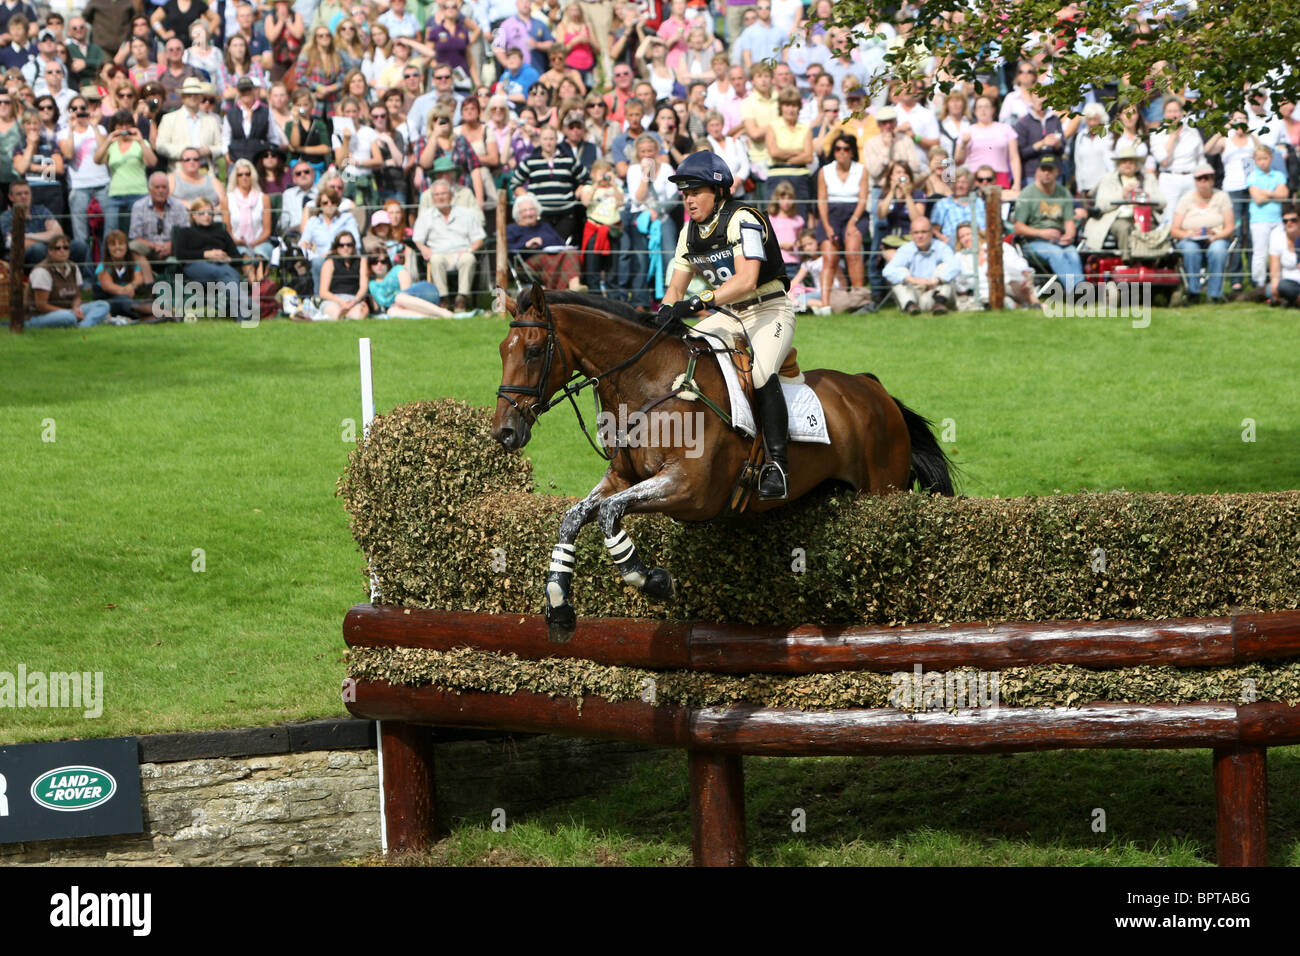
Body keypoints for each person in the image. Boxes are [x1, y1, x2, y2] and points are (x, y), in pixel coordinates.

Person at [658, 150, 794, 500]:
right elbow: (676, 286)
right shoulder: (689, 231)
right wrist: (665, 312)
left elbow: (747, 280)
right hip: (730, 315)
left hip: (769, 309)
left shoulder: (743, 218)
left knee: (761, 374)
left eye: (695, 191)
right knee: (684, 358)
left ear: (718, 191)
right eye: (684, 193)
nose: (688, 200)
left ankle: (778, 466)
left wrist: (699, 301)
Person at [815, 132, 870, 308]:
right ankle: (825, 305)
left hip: (855, 212)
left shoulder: (861, 170)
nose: (842, 152)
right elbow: (821, 201)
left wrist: (853, 220)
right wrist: (827, 226)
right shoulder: (825, 171)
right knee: (829, 258)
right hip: (830, 214)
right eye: (838, 148)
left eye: (846, 149)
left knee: (853, 252)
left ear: (852, 151)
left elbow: (863, 199)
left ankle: (859, 300)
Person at [1012, 155, 1082, 294]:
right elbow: (1018, 227)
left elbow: (1069, 222)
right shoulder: (1028, 194)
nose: (1046, 173)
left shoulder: (1063, 193)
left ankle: (1081, 289)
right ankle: (1076, 291)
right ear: (1037, 171)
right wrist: (1042, 233)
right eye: (1043, 169)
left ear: (1057, 172)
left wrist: (1069, 236)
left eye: (1050, 170)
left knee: (1073, 253)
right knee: (1055, 253)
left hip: (1058, 239)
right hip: (1033, 241)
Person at [172, 198, 250, 319]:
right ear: (193, 216)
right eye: (202, 213)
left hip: (221, 266)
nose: (207, 216)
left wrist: (227, 258)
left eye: (210, 213)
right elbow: (180, 255)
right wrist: (206, 254)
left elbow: (237, 257)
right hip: (195, 267)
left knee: (227, 274)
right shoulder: (186, 232)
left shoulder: (221, 231)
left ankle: (243, 315)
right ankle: (248, 305)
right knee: (227, 273)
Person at [413, 178, 484, 311]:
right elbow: (417, 238)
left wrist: (469, 250)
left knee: (469, 258)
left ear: (451, 196)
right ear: (432, 198)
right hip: (438, 253)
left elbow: (479, 239)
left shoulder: (467, 214)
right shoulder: (425, 216)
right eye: (437, 195)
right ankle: (443, 299)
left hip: (461, 252)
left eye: (443, 194)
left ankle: (461, 299)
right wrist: (423, 248)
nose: (440, 198)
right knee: (436, 259)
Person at [1170, 163, 1234, 303]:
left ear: (1212, 180)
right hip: (1190, 238)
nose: (1203, 182)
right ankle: (1194, 292)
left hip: (1216, 237)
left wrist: (1216, 236)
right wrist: (1190, 235)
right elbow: (1174, 229)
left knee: (1218, 250)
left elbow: (1229, 227)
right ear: (1195, 181)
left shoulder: (1222, 197)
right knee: (1190, 250)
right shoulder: (1186, 199)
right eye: (1200, 179)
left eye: (1207, 178)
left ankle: (1214, 294)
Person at [1083, 145, 1164, 253]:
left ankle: (1151, 261)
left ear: (1137, 164)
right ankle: (1128, 261)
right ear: (1118, 164)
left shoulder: (1148, 178)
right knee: (1125, 228)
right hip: (1117, 218)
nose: (1128, 164)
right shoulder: (1108, 179)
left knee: (1153, 229)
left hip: (1145, 217)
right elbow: (1101, 205)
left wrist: (1144, 195)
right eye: (1124, 161)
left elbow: (1162, 202)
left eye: (1131, 162)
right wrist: (1122, 194)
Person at [59, 93, 110, 251]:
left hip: (102, 184)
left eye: (83, 107)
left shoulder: (100, 128)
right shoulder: (63, 132)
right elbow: (68, 154)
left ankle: (104, 268)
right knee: (80, 234)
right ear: (69, 111)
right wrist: (71, 129)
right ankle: (85, 272)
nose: (79, 111)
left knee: (107, 232)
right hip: (79, 186)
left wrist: (94, 125)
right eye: (75, 108)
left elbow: (105, 153)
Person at [26, 235, 112, 328]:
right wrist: (70, 312)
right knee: (68, 317)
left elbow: (77, 296)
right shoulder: (42, 271)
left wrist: (76, 308)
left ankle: (83, 327)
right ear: (50, 251)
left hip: (68, 311)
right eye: (57, 248)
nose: (62, 251)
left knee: (103, 305)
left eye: (66, 248)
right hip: (39, 316)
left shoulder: (73, 267)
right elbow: (41, 306)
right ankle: (80, 321)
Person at [507, 191, 585, 290]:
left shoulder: (544, 226)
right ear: (518, 214)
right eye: (524, 211)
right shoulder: (511, 229)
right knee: (548, 260)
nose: (529, 213)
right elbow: (508, 249)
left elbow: (560, 243)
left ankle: (575, 287)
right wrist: (526, 245)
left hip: (554, 257)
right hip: (528, 262)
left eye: (532, 209)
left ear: (537, 211)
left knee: (571, 252)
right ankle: (563, 293)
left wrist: (542, 242)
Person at [882, 216, 959, 314]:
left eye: (924, 232)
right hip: (914, 292)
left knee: (944, 268)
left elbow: (955, 266)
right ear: (911, 234)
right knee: (899, 272)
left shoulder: (942, 247)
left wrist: (937, 280)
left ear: (931, 233)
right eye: (916, 232)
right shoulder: (906, 249)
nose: (920, 236)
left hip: (934, 292)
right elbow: (887, 271)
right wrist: (912, 279)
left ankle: (939, 305)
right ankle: (910, 306)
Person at [155, 76, 222, 171]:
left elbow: (220, 146)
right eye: (189, 94)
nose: (193, 97)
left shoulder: (211, 120)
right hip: (178, 171)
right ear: (182, 97)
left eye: (196, 94)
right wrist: (185, 152)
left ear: (201, 97)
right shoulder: (169, 119)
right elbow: (161, 146)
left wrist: (208, 150)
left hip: (205, 171)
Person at [1246, 143, 1288, 293]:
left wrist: (1266, 193)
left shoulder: (1279, 175)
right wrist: (1273, 193)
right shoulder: (1252, 176)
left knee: (1277, 251)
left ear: (1271, 158)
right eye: (1259, 159)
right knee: (1260, 252)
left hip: (1277, 219)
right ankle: (1260, 283)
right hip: (1259, 220)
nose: (1262, 161)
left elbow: (1284, 195)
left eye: (1265, 158)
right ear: (1255, 160)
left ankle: (1279, 281)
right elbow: (1257, 198)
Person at [128, 171, 191, 267]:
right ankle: (148, 280)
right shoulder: (139, 206)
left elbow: (185, 233)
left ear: (168, 189)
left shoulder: (179, 206)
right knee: (133, 246)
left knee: (189, 243)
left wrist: (171, 245)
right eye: (157, 187)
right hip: (149, 248)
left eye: (164, 187)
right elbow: (135, 236)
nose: (161, 191)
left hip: (174, 247)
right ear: (150, 190)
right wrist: (154, 246)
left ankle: (180, 279)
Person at [94, 228, 156, 319]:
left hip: (128, 299)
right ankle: (152, 314)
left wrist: (132, 286)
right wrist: (127, 291)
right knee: (123, 300)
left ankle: (154, 314)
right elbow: (109, 287)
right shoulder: (102, 267)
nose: (117, 247)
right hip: (107, 303)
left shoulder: (132, 265)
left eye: (121, 244)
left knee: (140, 301)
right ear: (108, 248)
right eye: (113, 244)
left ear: (126, 247)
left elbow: (139, 278)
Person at [227, 157, 274, 259]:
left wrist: (254, 243)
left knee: (261, 253)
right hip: (237, 243)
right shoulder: (227, 199)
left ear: (252, 176)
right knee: (244, 254)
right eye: (240, 175)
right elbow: (228, 230)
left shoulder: (263, 198)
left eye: (247, 174)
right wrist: (237, 241)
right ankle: (251, 274)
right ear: (235, 177)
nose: (244, 177)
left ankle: (260, 274)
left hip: (260, 242)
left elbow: (267, 231)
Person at [318, 230, 370, 319]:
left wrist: (354, 301)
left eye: (349, 245)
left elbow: (363, 287)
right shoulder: (329, 263)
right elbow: (323, 292)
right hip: (333, 299)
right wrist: (341, 302)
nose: (345, 248)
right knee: (335, 313)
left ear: (353, 246)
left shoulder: (361, 261)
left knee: (358, 315)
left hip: (354, 299)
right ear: (336, 247)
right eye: (341, 245)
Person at [1267, 204, 1300, 306]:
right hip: (1287, 282)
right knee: (1271, 289)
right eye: (1285, 221)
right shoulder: (1277, 235)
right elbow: (1274, 268)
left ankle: (1288, 301)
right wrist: (1275, 286)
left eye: (1293, 220)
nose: (1289, 223)